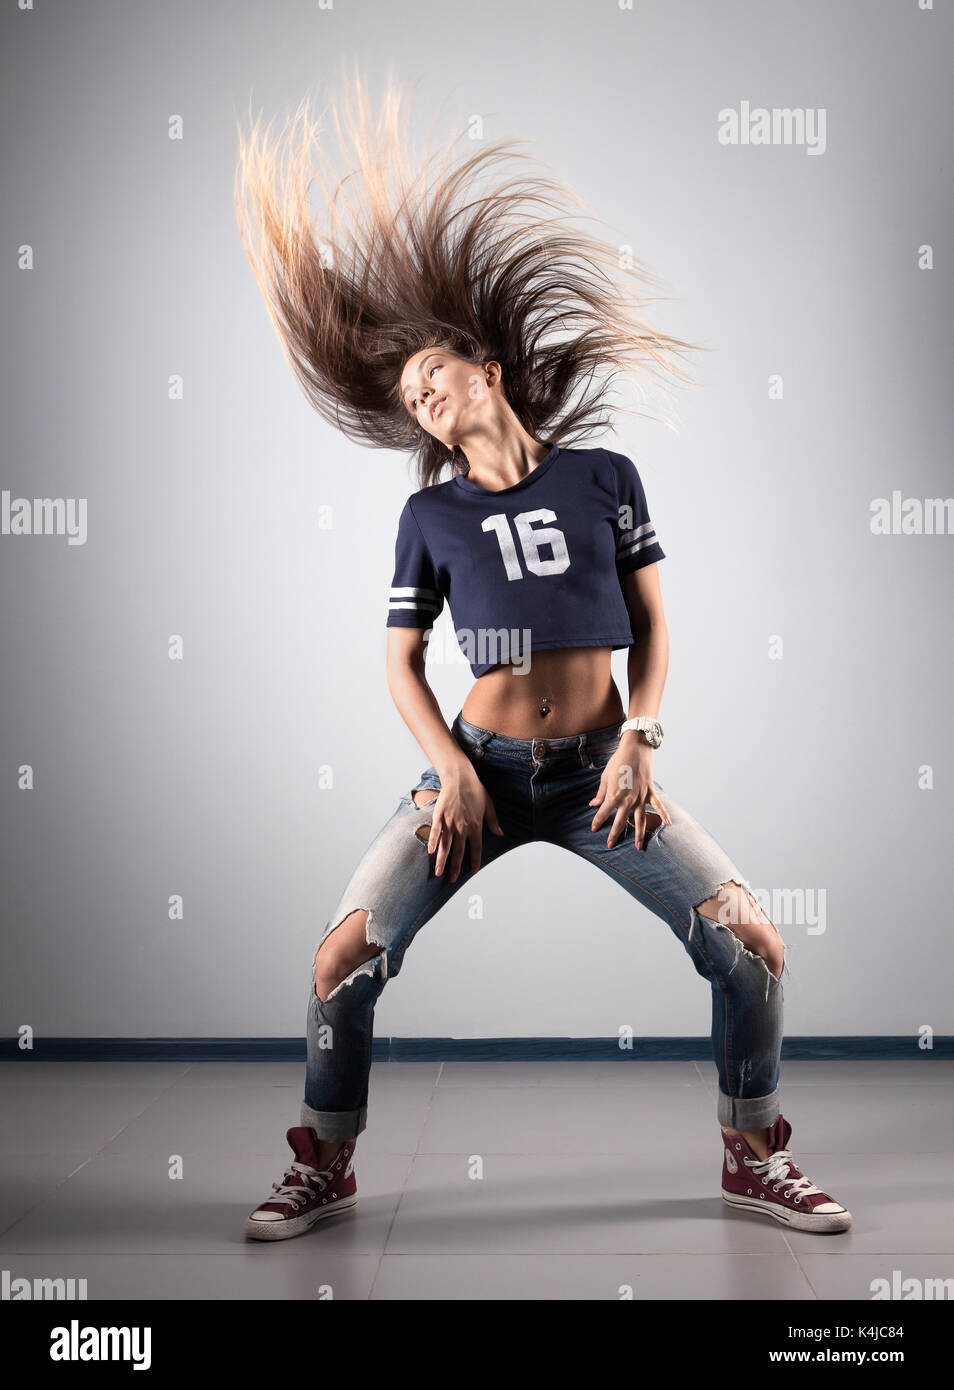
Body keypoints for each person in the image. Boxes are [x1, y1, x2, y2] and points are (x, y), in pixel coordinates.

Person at [233, 63, 851, 1242]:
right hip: (476, 771)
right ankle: (325, 1161)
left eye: (432, 374)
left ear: (488, 370)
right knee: (340, 960)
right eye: (407, 396)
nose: (420, 396)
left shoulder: (604, 477)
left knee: (754, 946)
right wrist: (453, 773)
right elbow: (401, 664)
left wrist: (640, 740)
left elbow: (654, 624)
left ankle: (754, 1150)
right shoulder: (430, 515)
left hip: (602, 777)